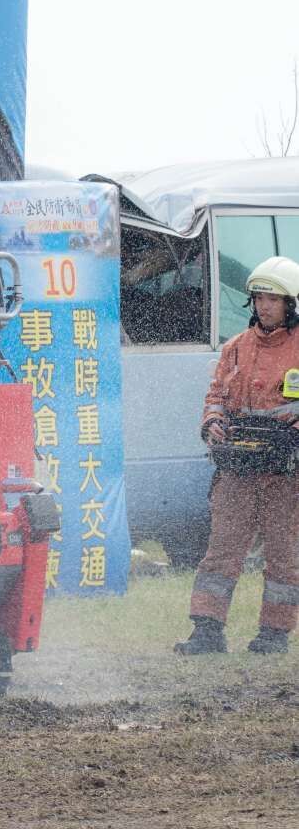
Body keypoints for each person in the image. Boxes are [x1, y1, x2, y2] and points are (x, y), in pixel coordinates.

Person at [175, 255, 299, 655]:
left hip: (285, 473)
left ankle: (273, 635)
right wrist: (212, 424)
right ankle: (207, 632)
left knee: (284, 555)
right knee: (222, 549)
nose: (264, 306)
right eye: (259, 297)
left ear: (291, 304)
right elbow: (216, 397)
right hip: (237, 469)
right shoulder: (235, 349)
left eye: (273, 299)